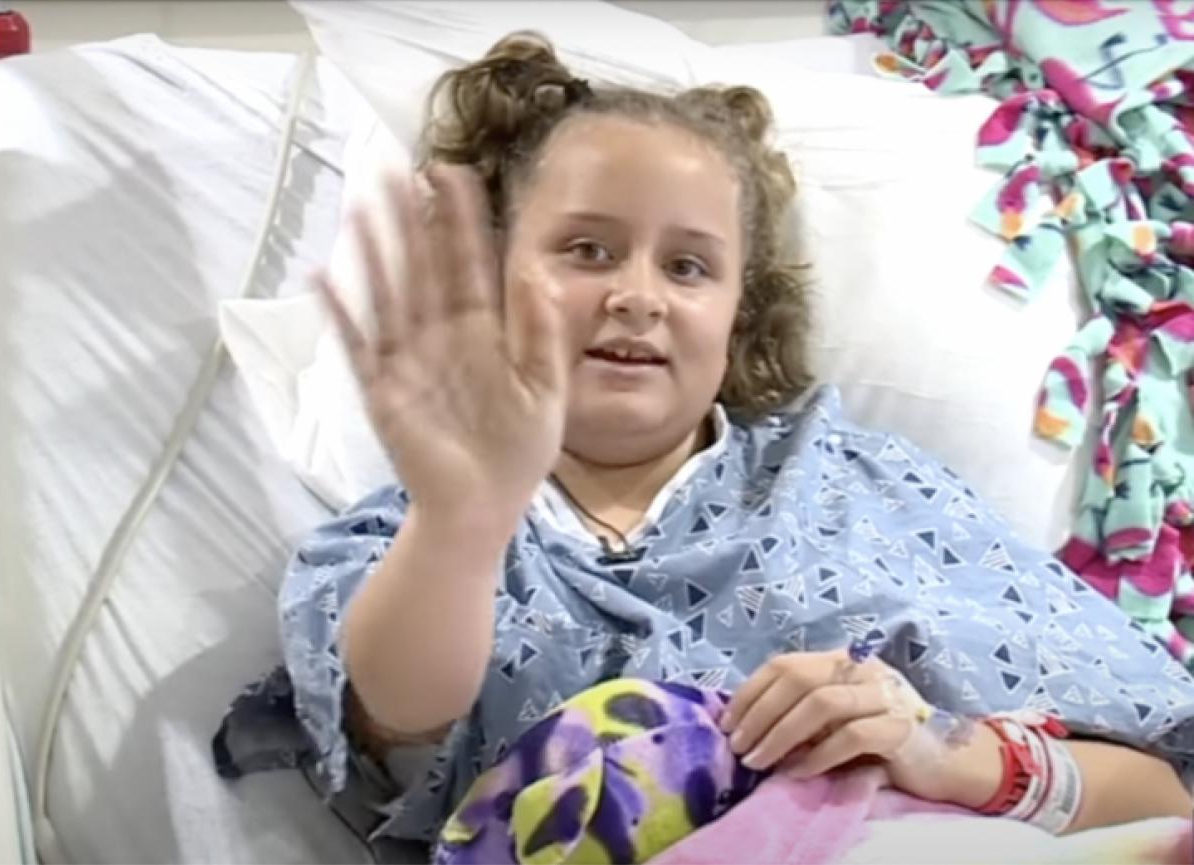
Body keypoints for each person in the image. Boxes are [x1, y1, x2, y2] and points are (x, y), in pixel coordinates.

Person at [279, 32, 1194, 848]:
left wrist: (948, 753)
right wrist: (463, 522)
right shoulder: (419, 537)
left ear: (737, 311)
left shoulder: (866, 486)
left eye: (688, 266)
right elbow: (395, 716)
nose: (637, 296)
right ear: (490, 271)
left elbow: (1164, 792)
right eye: (587, 249)